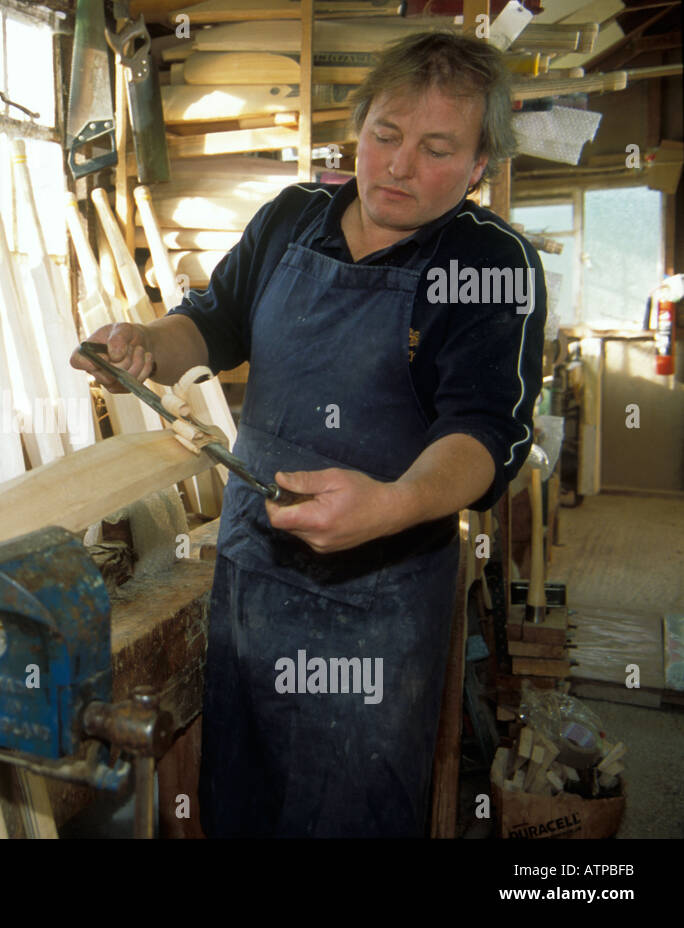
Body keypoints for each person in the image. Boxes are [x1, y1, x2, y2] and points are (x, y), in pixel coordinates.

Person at [70, 32, 546, 837]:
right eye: (386, 136)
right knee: (242, 798)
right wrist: (148, 346)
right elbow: (214, 324)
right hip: (254, 574)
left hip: (382, 599)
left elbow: (485, 434)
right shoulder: (293, 217)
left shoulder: (488, 263)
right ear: (357, 129)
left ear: (477, 166)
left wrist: (394, 502)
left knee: (351, 811)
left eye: (436, 150)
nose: (398, 166)